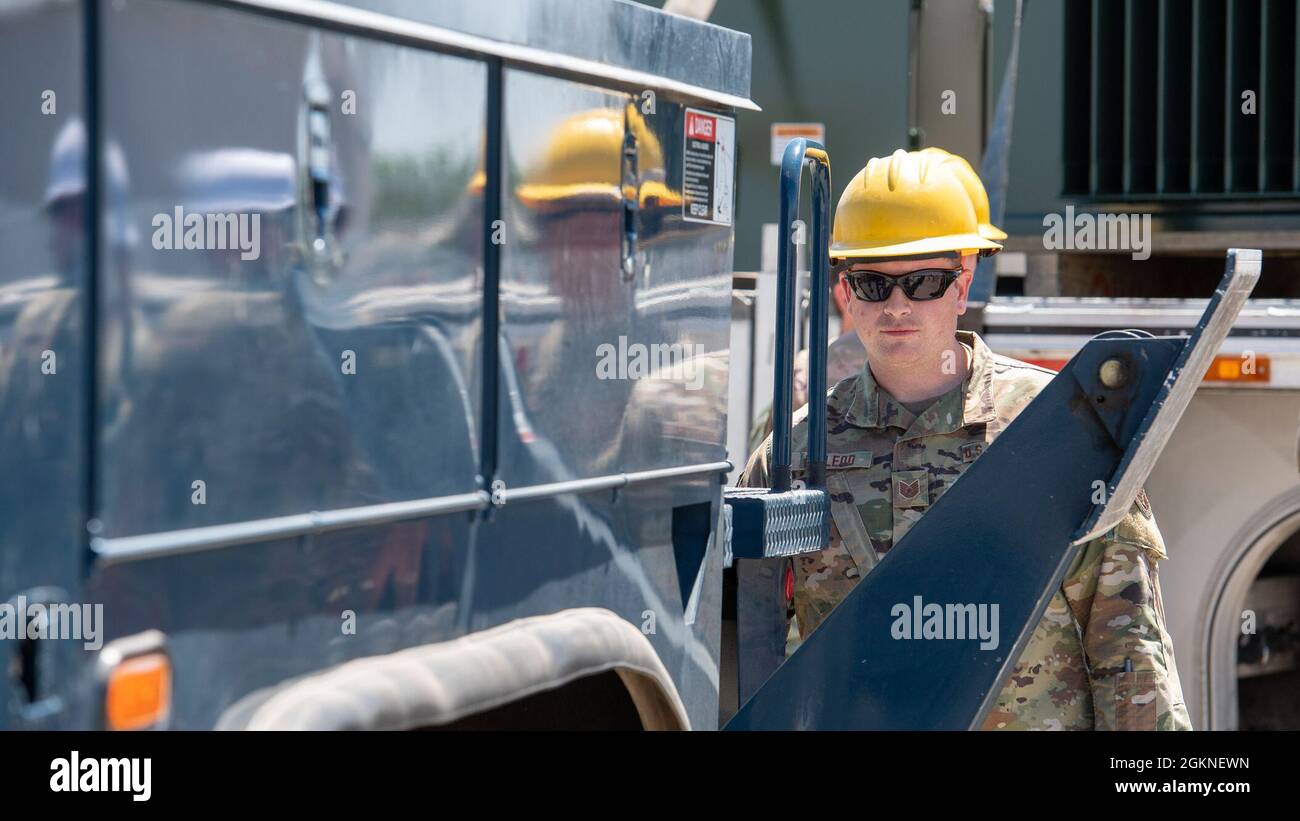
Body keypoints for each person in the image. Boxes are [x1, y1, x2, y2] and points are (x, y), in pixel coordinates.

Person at [739, 148, 1191, 730]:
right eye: (873, 284)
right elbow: (751, 651)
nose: (897, 305)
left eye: (924, 281)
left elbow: (1128, 654)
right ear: (845, 296)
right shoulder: (794, 457)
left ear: (962, 284)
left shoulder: (1060, 433)